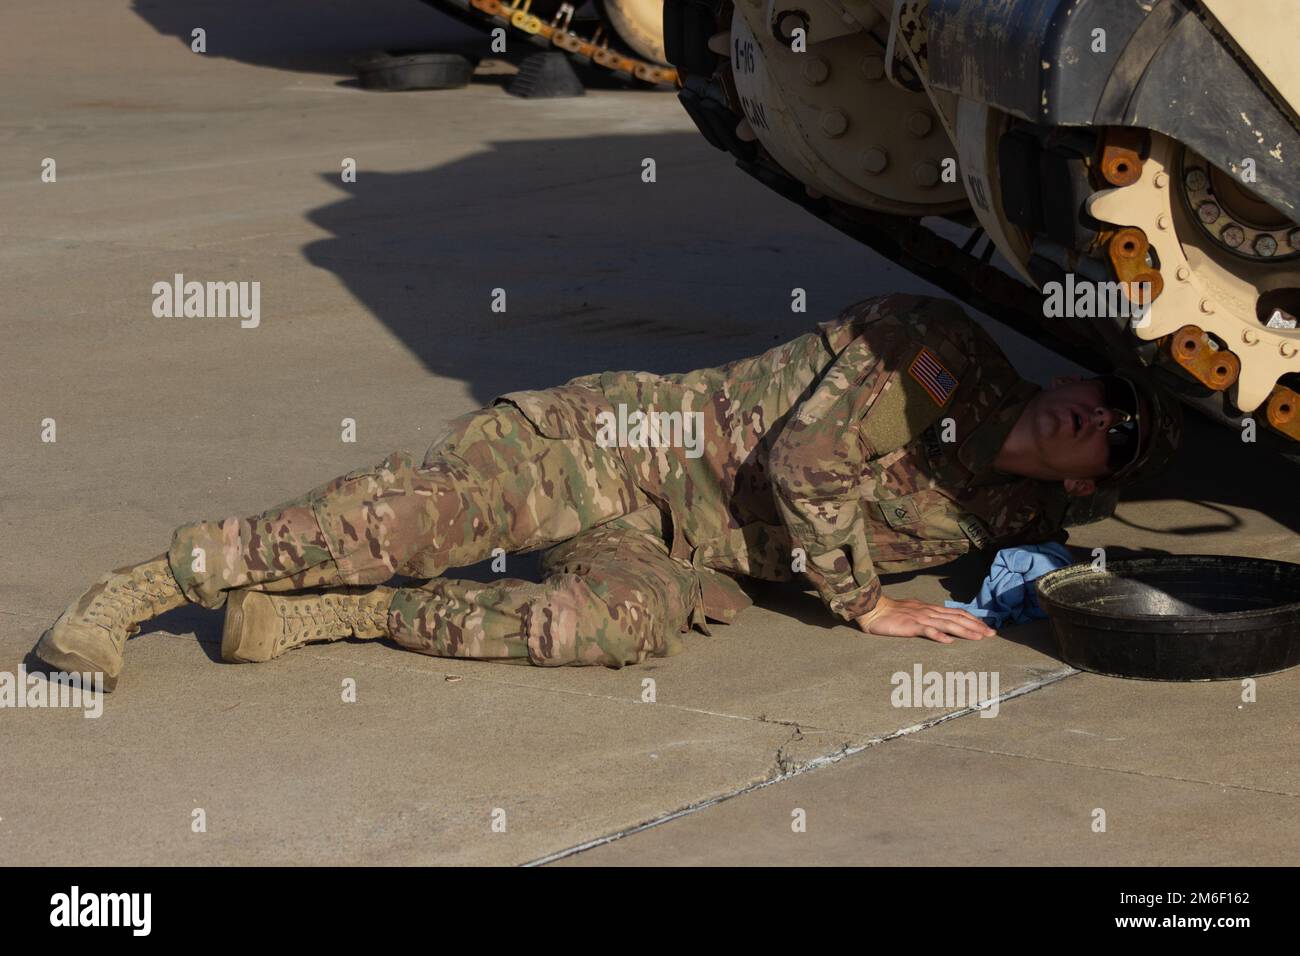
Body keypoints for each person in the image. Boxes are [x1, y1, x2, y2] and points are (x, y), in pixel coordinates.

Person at [33, 293, 1181, 691]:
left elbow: (1066, 579)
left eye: (1115, 439)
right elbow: (801, 464)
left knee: (602, 626)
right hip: (615, 447)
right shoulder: (937, 349)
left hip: (675, 550)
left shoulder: (1019, 517)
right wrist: (864, 601)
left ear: (1092, 478)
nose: (1093, 418)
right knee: (409, 520)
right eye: (1103, 392)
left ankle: (322, 616)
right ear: (1071, 371)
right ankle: (134, 591)